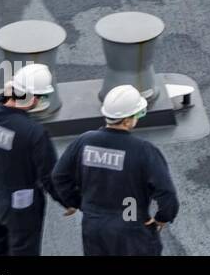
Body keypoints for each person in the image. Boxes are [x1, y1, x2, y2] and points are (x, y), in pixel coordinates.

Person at [52, 85, 179, 256]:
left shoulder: (84, 141)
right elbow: (166, 192)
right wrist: (162, 217)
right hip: (131, 221)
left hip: (94, 226)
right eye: (139, 114)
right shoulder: (143, 150)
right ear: (127, 120)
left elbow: (59, 176)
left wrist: (77, 202)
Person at [0, 64, 62, 256]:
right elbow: (50, 176)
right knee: (23, 249)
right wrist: (68, 201)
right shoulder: (34, 133)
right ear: (33, 98)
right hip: (22, 202)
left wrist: (9, 93)